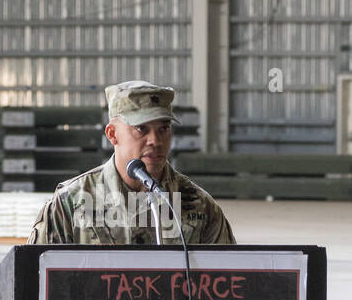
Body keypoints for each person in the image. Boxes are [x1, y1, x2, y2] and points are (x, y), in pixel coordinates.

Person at [26, 79, 236, 245]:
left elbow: (229, 284)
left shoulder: (200, 206)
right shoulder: (70, 203)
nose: (155, 141)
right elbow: (37, 282)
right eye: (141, 128)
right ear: (112, 134)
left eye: (164, 128)